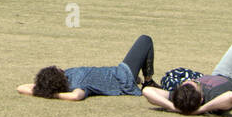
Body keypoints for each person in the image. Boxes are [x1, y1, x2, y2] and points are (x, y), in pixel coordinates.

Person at [143, 35, 232, 115]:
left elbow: (147, 91)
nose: (193, 80)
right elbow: (231, 97)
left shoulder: (180, 96)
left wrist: (174, 107)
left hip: (220, 73)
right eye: (196, 84)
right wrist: (201, 109)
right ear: (201, 97)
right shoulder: (211, 99)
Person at [17, 34, 155, 100]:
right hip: (122, 76)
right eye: (56, 69)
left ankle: (143, 81)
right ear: (58, 76)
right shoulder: (76, 85)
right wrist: (54, 95)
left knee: (137, 72)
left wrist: (45, 91)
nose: (59, 67)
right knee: (145, 40)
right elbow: (77, 96)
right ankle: (148, 80)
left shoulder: (68, 77)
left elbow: (21, 87)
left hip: (119, 73)